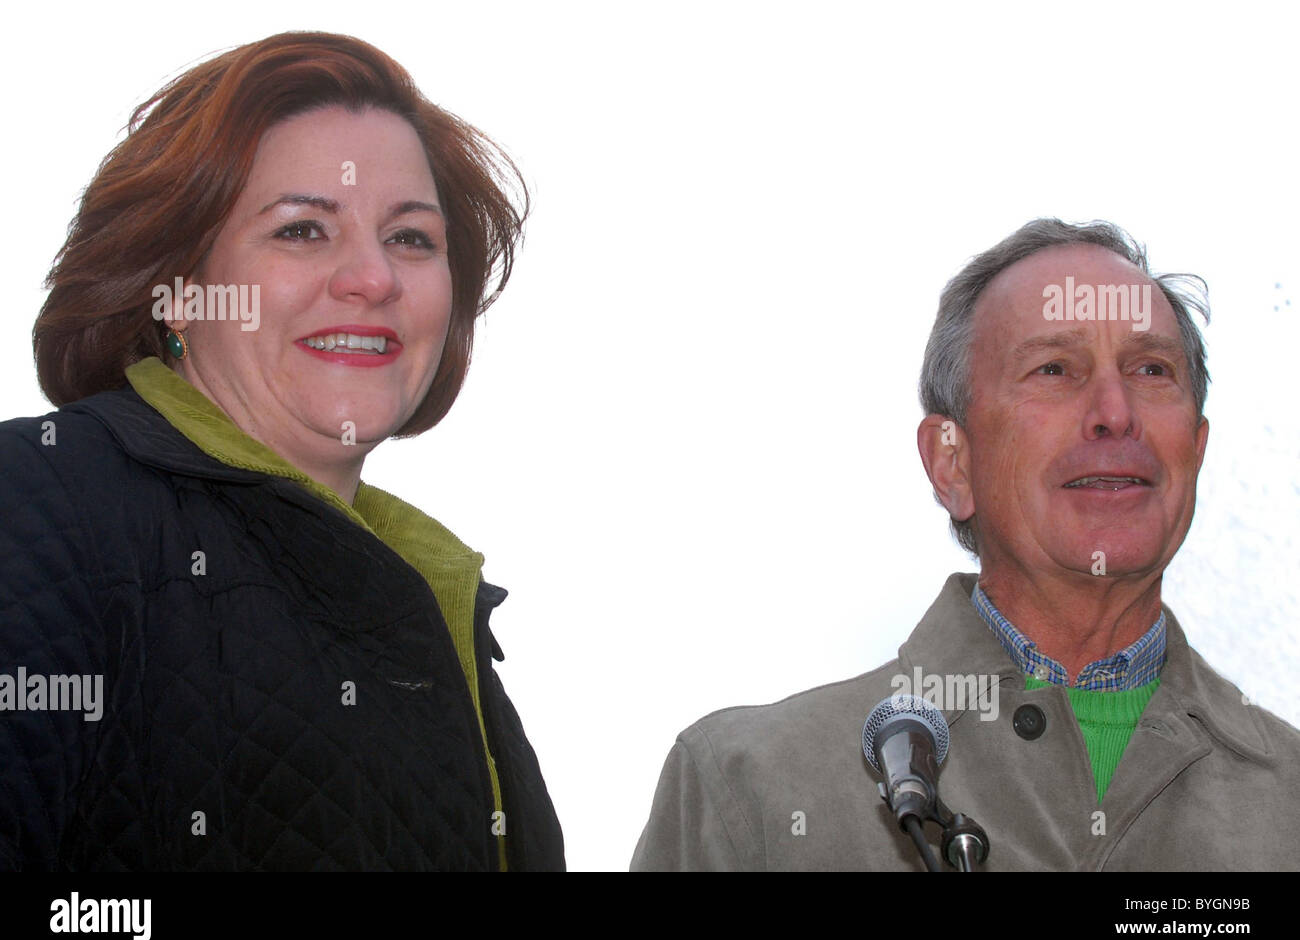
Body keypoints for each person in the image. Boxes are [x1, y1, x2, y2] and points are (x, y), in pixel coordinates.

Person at [0, 32, 563, 871]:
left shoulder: (438, 605)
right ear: (177, 289)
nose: (373, 278)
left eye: (411, 238)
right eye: (303, 229)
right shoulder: (37, 504)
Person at [631, 218, 1300, 871]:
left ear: (1197, 449)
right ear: (951, 462)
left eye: (1151, 370)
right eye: (1054, 369)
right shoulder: (749, 790)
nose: (1115, 411)